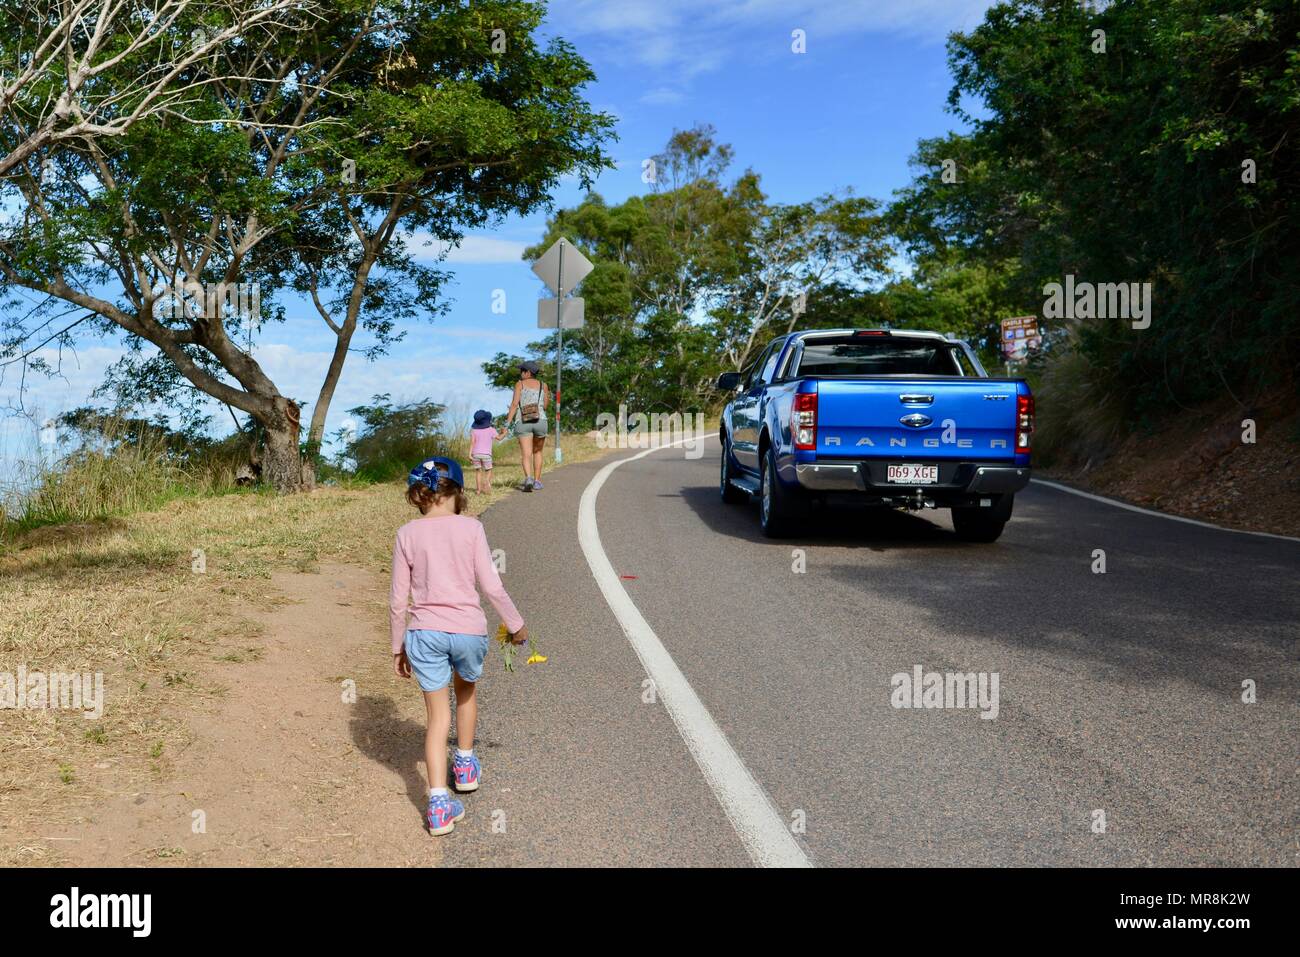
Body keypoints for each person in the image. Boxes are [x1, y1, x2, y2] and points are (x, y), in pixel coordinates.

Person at [389, 456, 528, 835]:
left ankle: (437, 805)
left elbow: (398, 600)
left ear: (420, 495)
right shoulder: (472, 528)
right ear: (460, 492)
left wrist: (397, 646)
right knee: (465, 694)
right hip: (467, 631)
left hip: (424, 633)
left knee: (437, 719)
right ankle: (464, 766)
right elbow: (492, 586)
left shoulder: (407, 534)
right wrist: (515, 625)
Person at [503, 359, 549, 492]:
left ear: (528, 373)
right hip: (540, 421)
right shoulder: (543, 385)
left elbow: (513, 405)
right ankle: (537, 481)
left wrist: (506, 425)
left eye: (522, 371)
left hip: (523, 422)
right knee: (538, 451)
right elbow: (545, 406)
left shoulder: (520, 384)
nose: (520, 374)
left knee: (526, 454)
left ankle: (528, 478)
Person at [468, 409, 507, 494]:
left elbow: (472, 442)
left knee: (478, 471)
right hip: (486, 455)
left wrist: (470, 454)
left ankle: (478, 490)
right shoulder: (491, 429)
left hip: (475, 454)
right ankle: (486, 483)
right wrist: (504, 433)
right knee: (488, 470)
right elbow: (499, 438)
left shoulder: (474, 430)